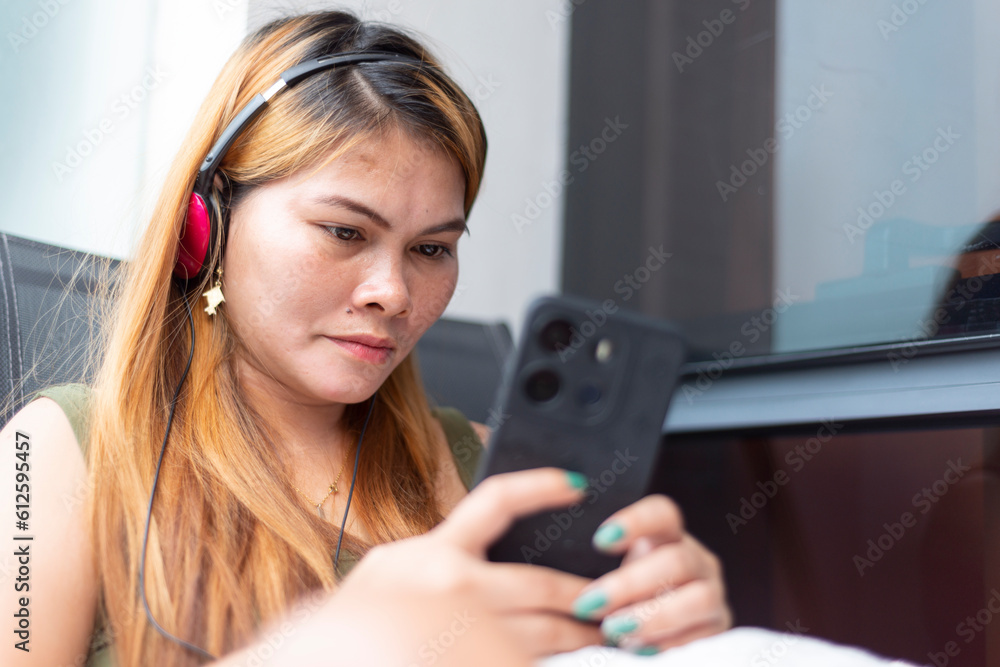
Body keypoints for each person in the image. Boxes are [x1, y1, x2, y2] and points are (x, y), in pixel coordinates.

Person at [0, 10, 731, 667]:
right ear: (207, 225)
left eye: (431, 248)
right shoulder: (52, 458)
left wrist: (665, 635)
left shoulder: (494, 479)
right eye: (345, 231)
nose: (395, 293)